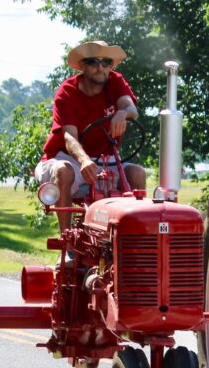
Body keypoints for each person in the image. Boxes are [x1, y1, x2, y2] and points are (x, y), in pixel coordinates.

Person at [35, 40, 144, 231]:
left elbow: (131, 108)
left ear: (111, 66)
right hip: (65, 158)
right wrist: (84, 160)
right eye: (93, 62)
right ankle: (66, 242)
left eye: (106, 62)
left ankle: (131, 240)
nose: (100, 67)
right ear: (83, 66)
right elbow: (69, 138)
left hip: (105, 160)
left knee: (137, 173)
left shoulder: (115, 81)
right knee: (64, 170)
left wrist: (122, 113)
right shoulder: (67, 92)